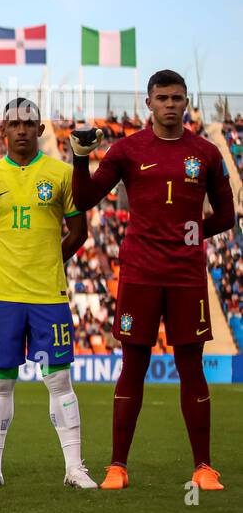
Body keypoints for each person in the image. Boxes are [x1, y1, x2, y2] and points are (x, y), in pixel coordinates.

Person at [69, 69, 236, 489]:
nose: (170, 105)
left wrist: (197, 230)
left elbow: (227, 216)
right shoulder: (127, 150)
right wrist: (77, 158)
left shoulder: (208, 153)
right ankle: (117, 467)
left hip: (186, 277)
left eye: (177, 98)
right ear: (148, 103)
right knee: (133, 367)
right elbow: (86, 198)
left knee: (191, 367)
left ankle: (203, 468)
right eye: (162, 98)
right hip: (140, 275)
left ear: (186, 102)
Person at [0, 97, 96, 488]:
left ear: (41, 130)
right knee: (1, 382)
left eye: (29, 123)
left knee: (59, 381)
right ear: (2, 131)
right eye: (13, 123)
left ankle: (74, 467)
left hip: (49, 297)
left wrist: (50, 261)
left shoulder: (62, 173)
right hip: (3, 297)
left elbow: (79, 232)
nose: (22, 130)